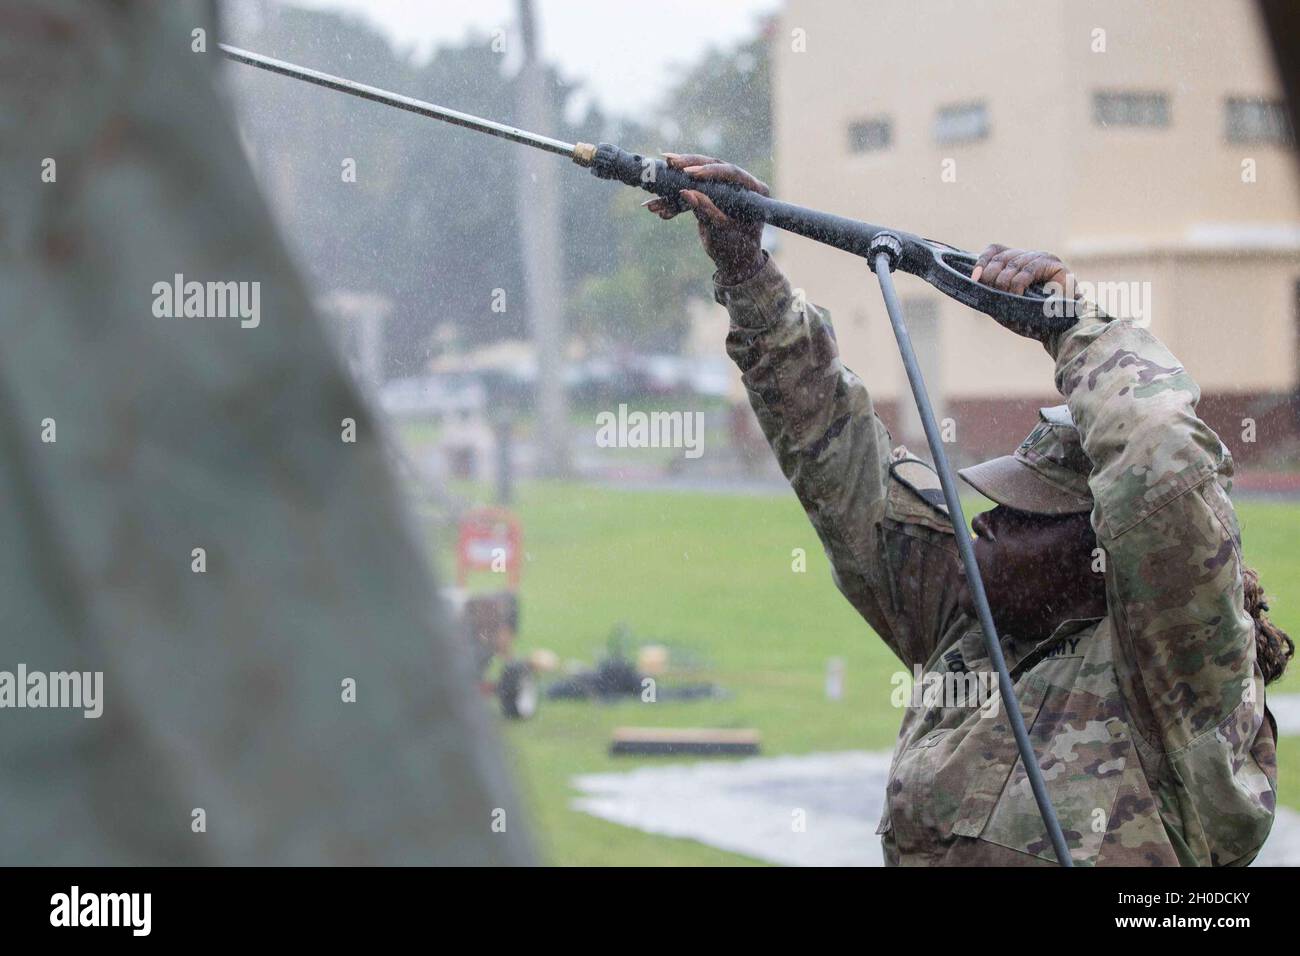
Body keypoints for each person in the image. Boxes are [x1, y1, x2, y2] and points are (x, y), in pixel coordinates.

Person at [646, 154, 1292, 866]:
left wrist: (1074, 324)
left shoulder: (1179, 677)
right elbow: (838, 460)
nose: (988, 524)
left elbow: (1164, 456)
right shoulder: (971, 626)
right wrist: (750, 274)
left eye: (1027, 514)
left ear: (1105, 546)